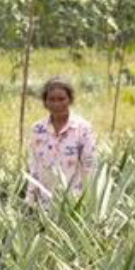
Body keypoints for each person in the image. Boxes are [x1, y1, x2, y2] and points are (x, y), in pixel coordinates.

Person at [26, 78, 98, 208]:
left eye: (61, 99)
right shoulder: (38, 129)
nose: (56, 104)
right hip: (44, 202)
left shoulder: (82, 129)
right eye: (51, 99)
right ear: (45, 102)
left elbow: (89, 167)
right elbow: (34, 166)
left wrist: (88, 202)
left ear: (70, 100)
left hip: (74, 203)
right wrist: (30, 200)